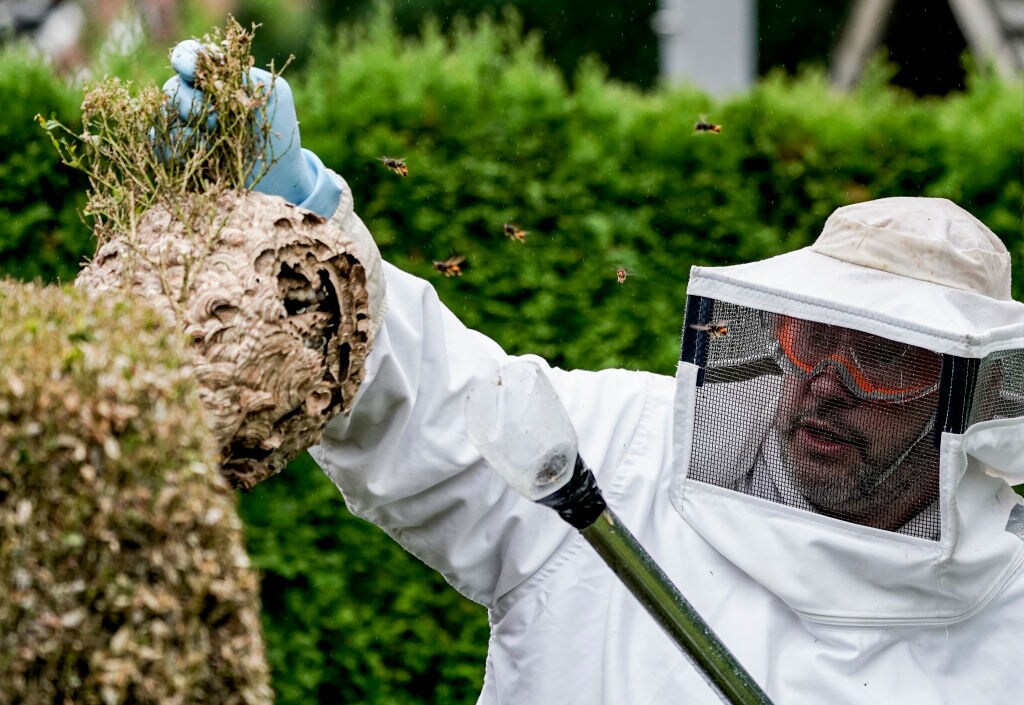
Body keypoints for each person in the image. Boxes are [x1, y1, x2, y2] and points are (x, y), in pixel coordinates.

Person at [164, 42, 1024, 704]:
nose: (824, 382)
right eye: (809, 339)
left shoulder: (1007, 627)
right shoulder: (627, 447)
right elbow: (428, 403)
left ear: (968, 401)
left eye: (879, 357)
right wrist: (302, 226)